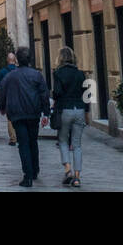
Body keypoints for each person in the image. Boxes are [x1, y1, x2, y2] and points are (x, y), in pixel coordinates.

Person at [0, 46, 51, 187]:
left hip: (17, 115)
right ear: (30, 59)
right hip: (33, 113)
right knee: (33, 141)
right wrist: (46, 113)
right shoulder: (37, 75)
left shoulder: (10, 76)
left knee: (23, 143)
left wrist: (2, 107)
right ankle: (35, 170)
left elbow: (2, 92)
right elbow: (44, 95)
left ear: (17, 60)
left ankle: (27, 176)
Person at [52, 46, 87, 188]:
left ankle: (68, 170)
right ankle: (77, 177)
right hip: (79, 109)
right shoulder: (81, 74)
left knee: (63, 140)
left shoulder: (58, 73)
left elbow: (57, 93)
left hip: (65, 109)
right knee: (77, 144)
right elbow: (86, 93)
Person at [0, 51, 18, 144]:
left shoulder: (3, 72)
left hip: (8, 98)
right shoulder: (19, 70)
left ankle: (13, 138)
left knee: (10, 119)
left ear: (7, 60)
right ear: (15, 60)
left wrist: (0, 102)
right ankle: (19, 136)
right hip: (19, 97)